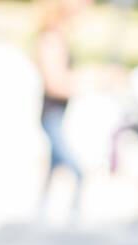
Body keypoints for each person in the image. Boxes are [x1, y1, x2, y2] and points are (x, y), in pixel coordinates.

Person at [36, 0, 92, 223]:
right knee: (77, 170)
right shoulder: (50, 39)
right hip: (51, 115)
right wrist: (87, 81)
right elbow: (54, 83)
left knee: (54, 167)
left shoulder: (59, 38)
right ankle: (73, 217)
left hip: (59, 114)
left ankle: (40, 212)